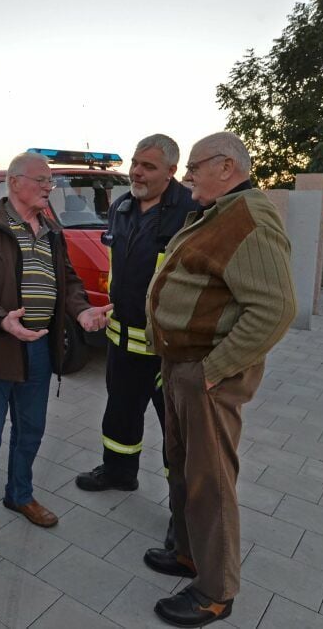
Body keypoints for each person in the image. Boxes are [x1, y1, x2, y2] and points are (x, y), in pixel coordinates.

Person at [143, 132, 295, 627]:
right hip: (182, 366)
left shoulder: (249, 216)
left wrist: (214, 370)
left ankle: (215, 591)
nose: (187, 177)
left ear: (227, 167)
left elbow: (274, 309)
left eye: (194, 167)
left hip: (206, 373)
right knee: (183, 468)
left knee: (210, 482)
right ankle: (189, 554)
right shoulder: (220, 212)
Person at [0, 151, 112, 548]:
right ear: (15, 182)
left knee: (31, 430)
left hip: (40, 349)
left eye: (50, 181)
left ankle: (19, 495)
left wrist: (82, 312)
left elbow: (69, 283)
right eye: (41, 180)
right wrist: (2, 319)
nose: (49, 187)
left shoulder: (53, 232)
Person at [75, 134, 201, 548]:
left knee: (177, 435)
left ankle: (182, 515)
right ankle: (118, 472)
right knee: (120, 414)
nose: (137, 172)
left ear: (171, 171)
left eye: (148, 166)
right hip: (122, 339)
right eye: (135, 163)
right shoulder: (122, 207)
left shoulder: (192, 212)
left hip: (167, 350)